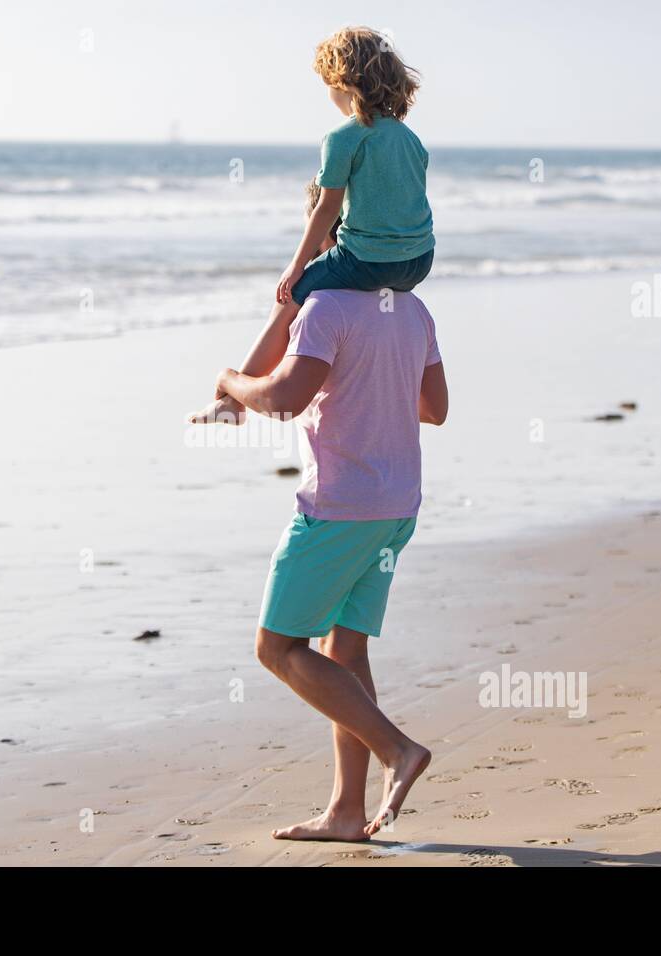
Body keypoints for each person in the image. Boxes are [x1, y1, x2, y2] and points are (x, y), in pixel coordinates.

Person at [212, 278, 448, 840]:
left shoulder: (325, 307)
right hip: (397, 506)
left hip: (339, 510)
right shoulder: (412, 309)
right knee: (343, 650)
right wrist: (373, 390)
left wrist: (228, 380)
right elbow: (434, 409)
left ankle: (398, 751)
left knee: (277, 648)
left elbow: (283, 400)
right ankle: (345, 811)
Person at [189, 26, 435, 426]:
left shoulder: (343, 137)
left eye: (327, 84)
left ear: (344, 82)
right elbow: (407, 203)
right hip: (419, 263)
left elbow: (326, 208)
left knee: (289, 298)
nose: (328, 94)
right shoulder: (410, 139)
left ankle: (229, 401)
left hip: (367, 262)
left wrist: (297, 265)